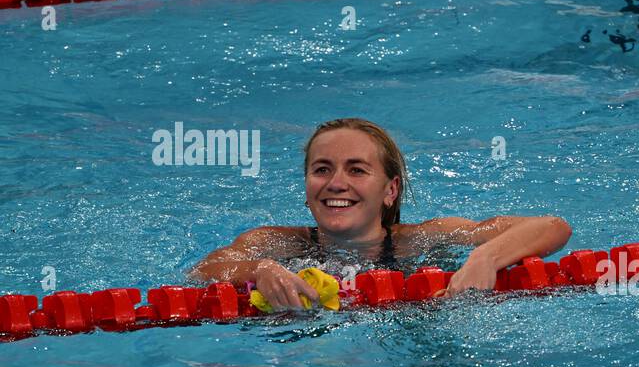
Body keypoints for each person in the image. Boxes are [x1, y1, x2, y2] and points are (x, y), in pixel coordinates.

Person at [188, 118, 572, 309]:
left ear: (389, 191)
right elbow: (201, 273)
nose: (336, 183)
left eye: (356, 170)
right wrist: (260, 270)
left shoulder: (423, 239)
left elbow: (551, 226)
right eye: (322, 169)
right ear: (307, 187)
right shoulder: (274, 244)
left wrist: (485, 257)